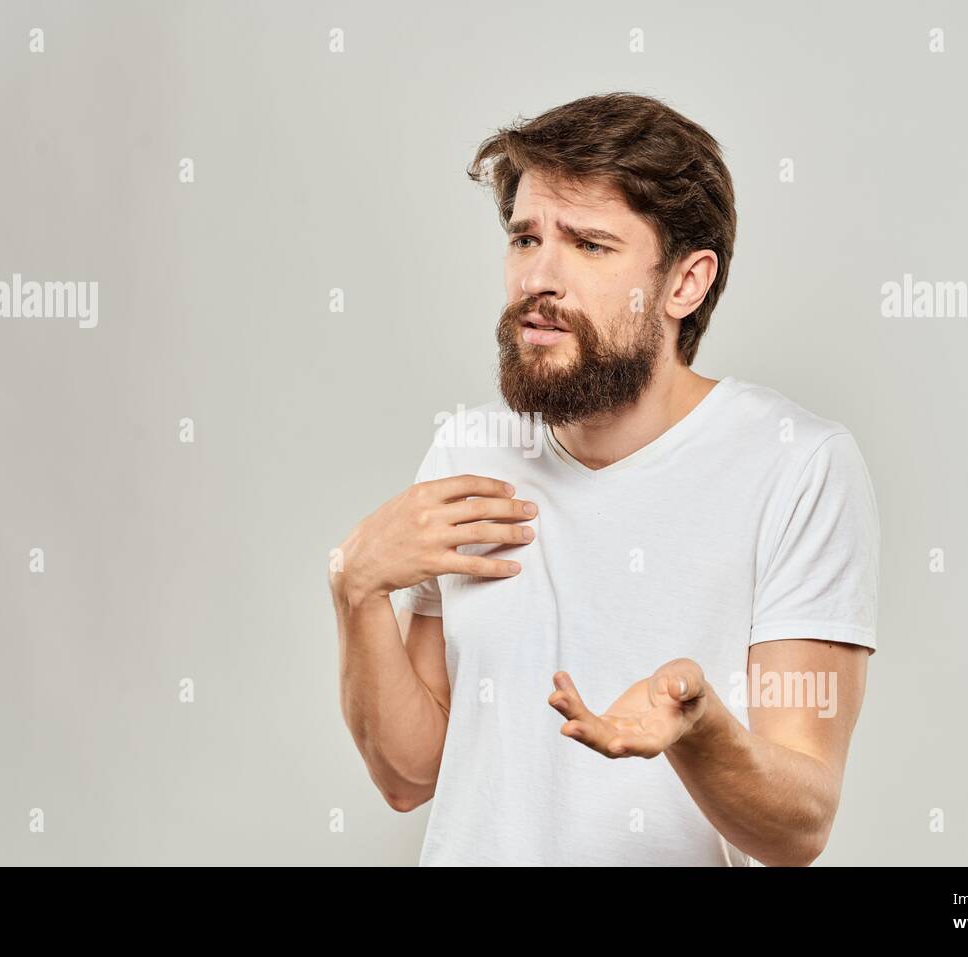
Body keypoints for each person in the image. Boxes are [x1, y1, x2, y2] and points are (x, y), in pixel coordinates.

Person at [330, 92, 880, 866]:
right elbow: (410, 774)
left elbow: (799, 826)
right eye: (525, 239)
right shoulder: (468, 450)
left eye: (588, 245)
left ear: (684, 284)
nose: (538, 278)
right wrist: (357, 592)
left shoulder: (795, 464)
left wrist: (700, 731)